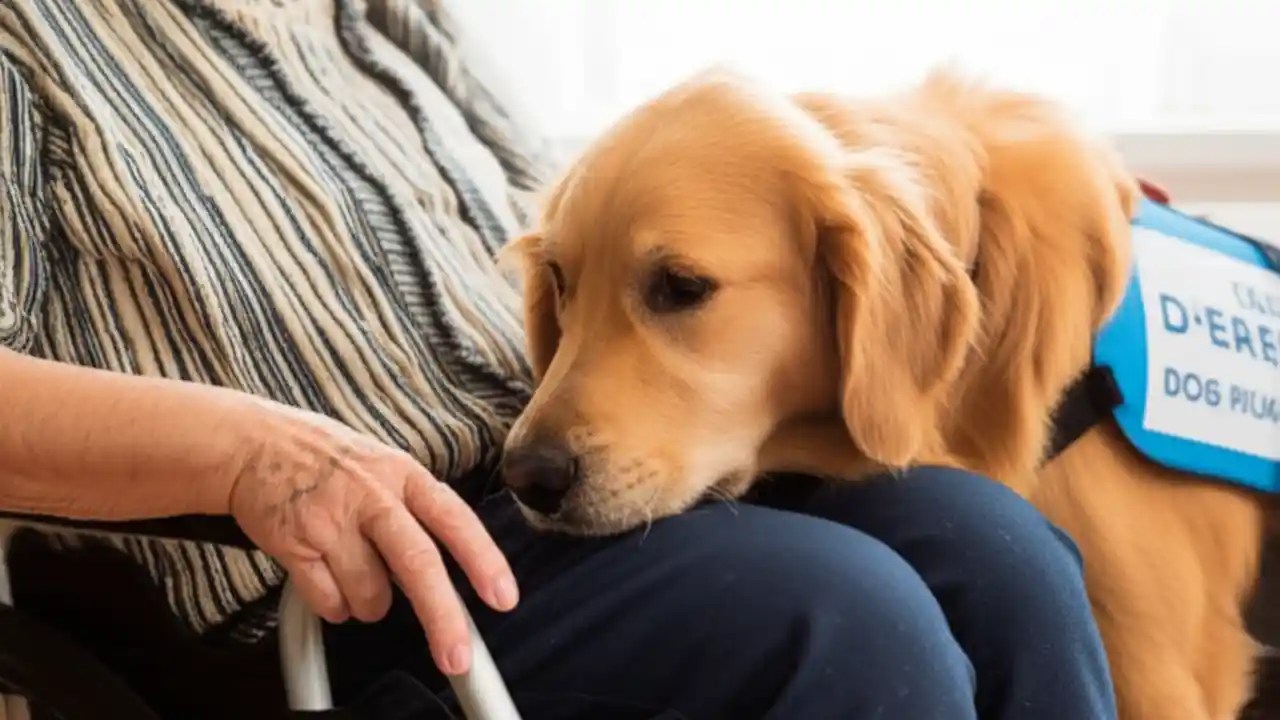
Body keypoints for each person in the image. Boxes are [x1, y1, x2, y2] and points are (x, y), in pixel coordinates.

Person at [0, 0, 1117, 718]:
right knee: (838, 611)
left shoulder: (375, 18)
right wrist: (252, 454)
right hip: (345, 593)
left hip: (534, 501)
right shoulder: (36, 37)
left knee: (995, 548)